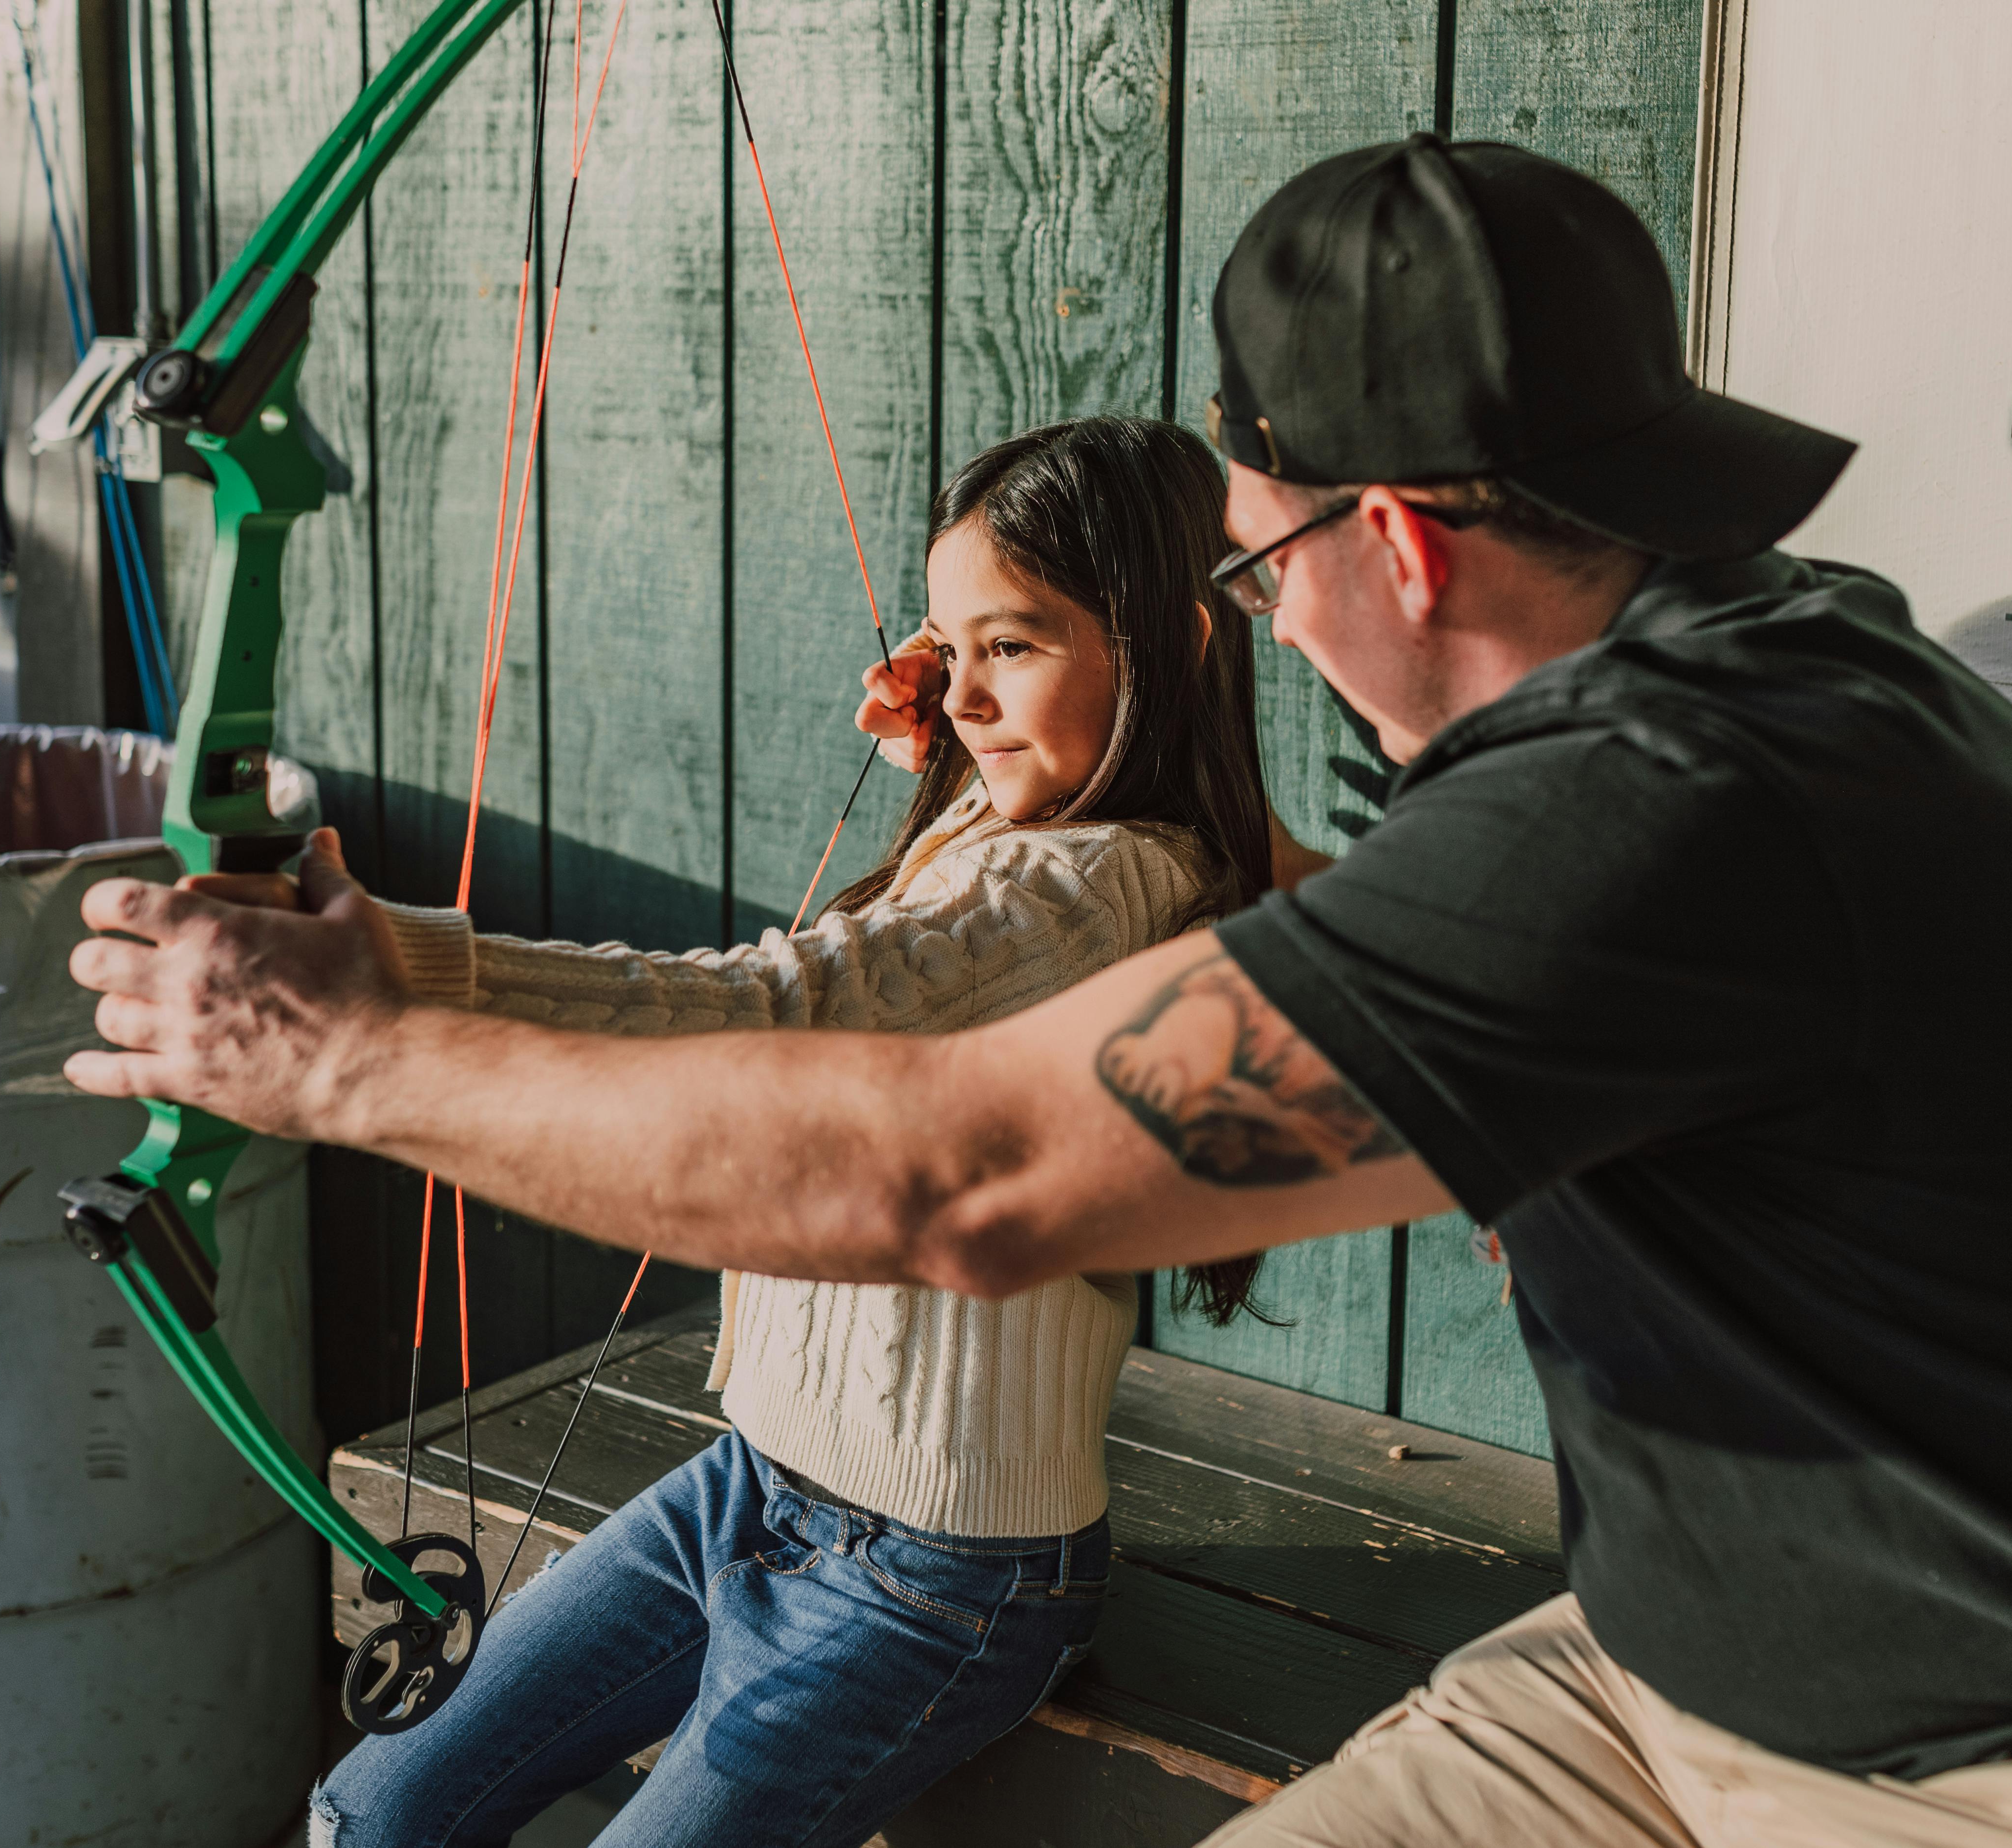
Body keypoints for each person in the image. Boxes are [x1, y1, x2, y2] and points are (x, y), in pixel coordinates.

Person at [70, 139, 2012, 1848]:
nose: (1259, 626)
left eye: (1257, 572)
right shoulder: (1760, 659)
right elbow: (1375, 939)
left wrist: (337, 1048)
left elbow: (958, 1176)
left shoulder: (1657, 804)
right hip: (1673, 1669)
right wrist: (984, 765)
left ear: (1397, 541)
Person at [272, 416, 1289, 1848]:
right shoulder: (1015, 825)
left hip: (940, 1580)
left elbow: (796, 1001)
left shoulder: (1099, 889)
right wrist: (976, 705)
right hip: (748, 1490)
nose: (964, 693)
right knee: (369, 1815)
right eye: (946, 646)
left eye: (1014, 645)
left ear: (1175, 649)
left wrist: (402, 972)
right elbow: (1020, 857)